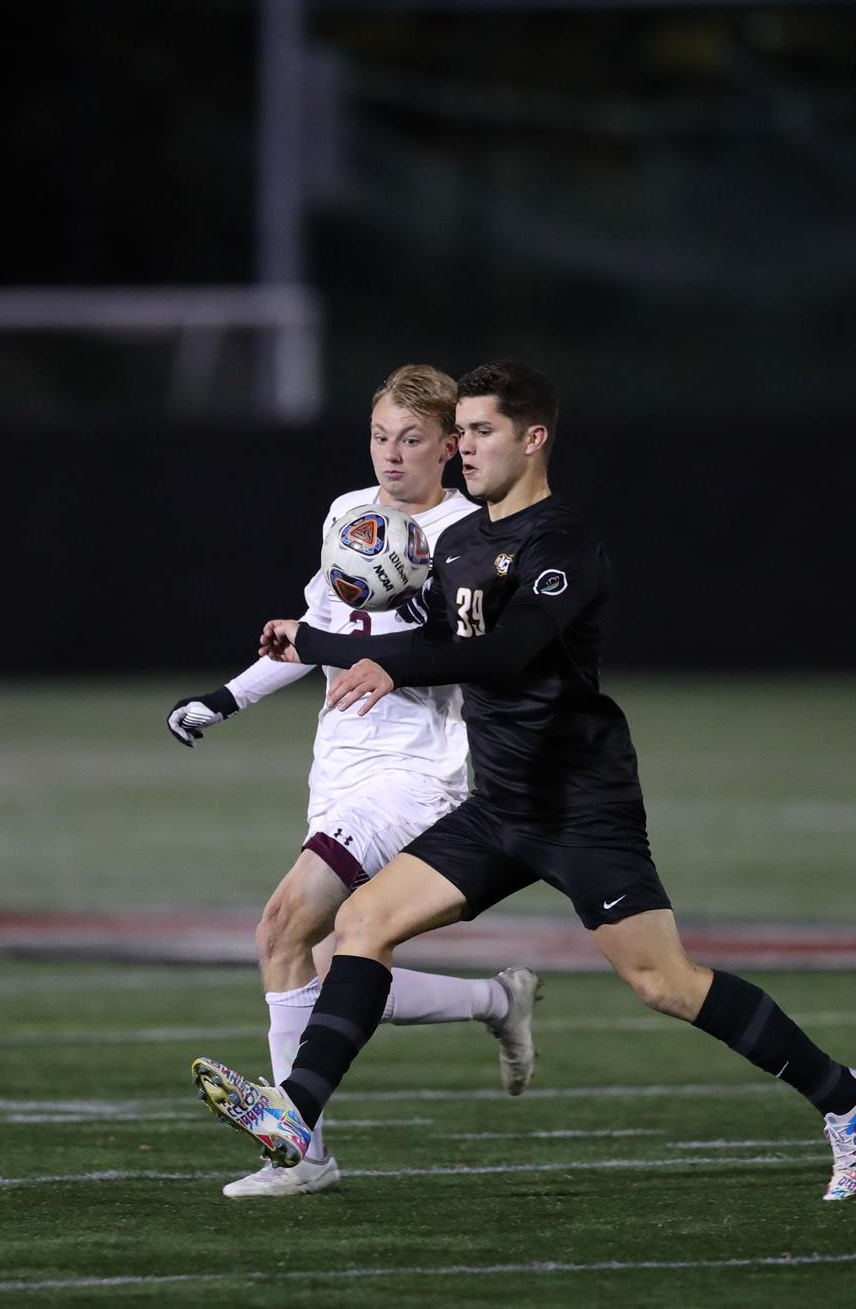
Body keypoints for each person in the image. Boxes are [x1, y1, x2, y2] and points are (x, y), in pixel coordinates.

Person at [192, 359, 856, 1203]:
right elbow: (432, 645)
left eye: (481, 431)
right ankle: (296, 1119)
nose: (464, 446)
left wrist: (359, 655)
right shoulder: (459, 546)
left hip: (580, 807)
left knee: (663, 982)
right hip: (498, 806)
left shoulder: (563, 543)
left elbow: (505, 651)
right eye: (461, 431)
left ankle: (848, 1097)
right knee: (362, 921)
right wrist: (323, 640)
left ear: (533, 439)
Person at [167, 362, 543, 1200]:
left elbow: (468, 657)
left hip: (415, 773)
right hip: (338, 765)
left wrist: (413, 619)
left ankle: (299, 1152)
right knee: (329, 960)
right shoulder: (348, 513)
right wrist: (224, 698)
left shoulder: (469, 533)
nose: (391, 454)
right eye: (379, 436)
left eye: (411, 439)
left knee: (279, 926)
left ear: (448, 447)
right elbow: (313, 632)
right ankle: (496, 1001)